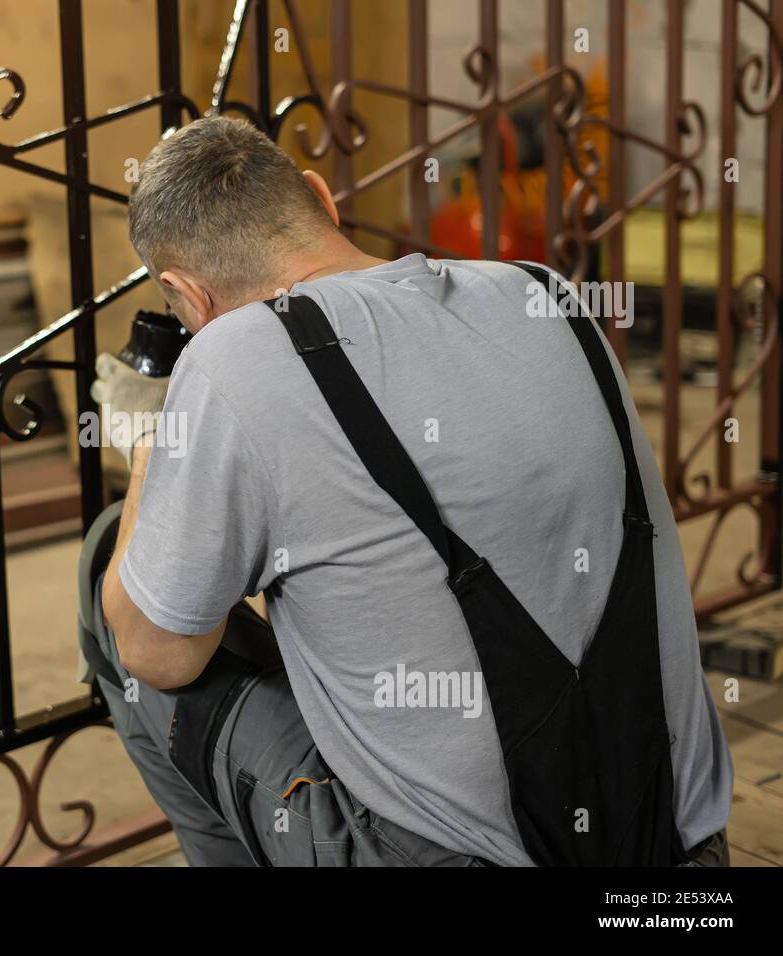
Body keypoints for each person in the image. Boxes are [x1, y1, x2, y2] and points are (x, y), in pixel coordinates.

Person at [81, 115, 732, 867]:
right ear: (323, 199)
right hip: (678, 862)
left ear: (185, 295)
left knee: (113, 579)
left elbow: (157, 655)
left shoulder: (232, 356)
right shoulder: (544, 292)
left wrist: (156, 448)